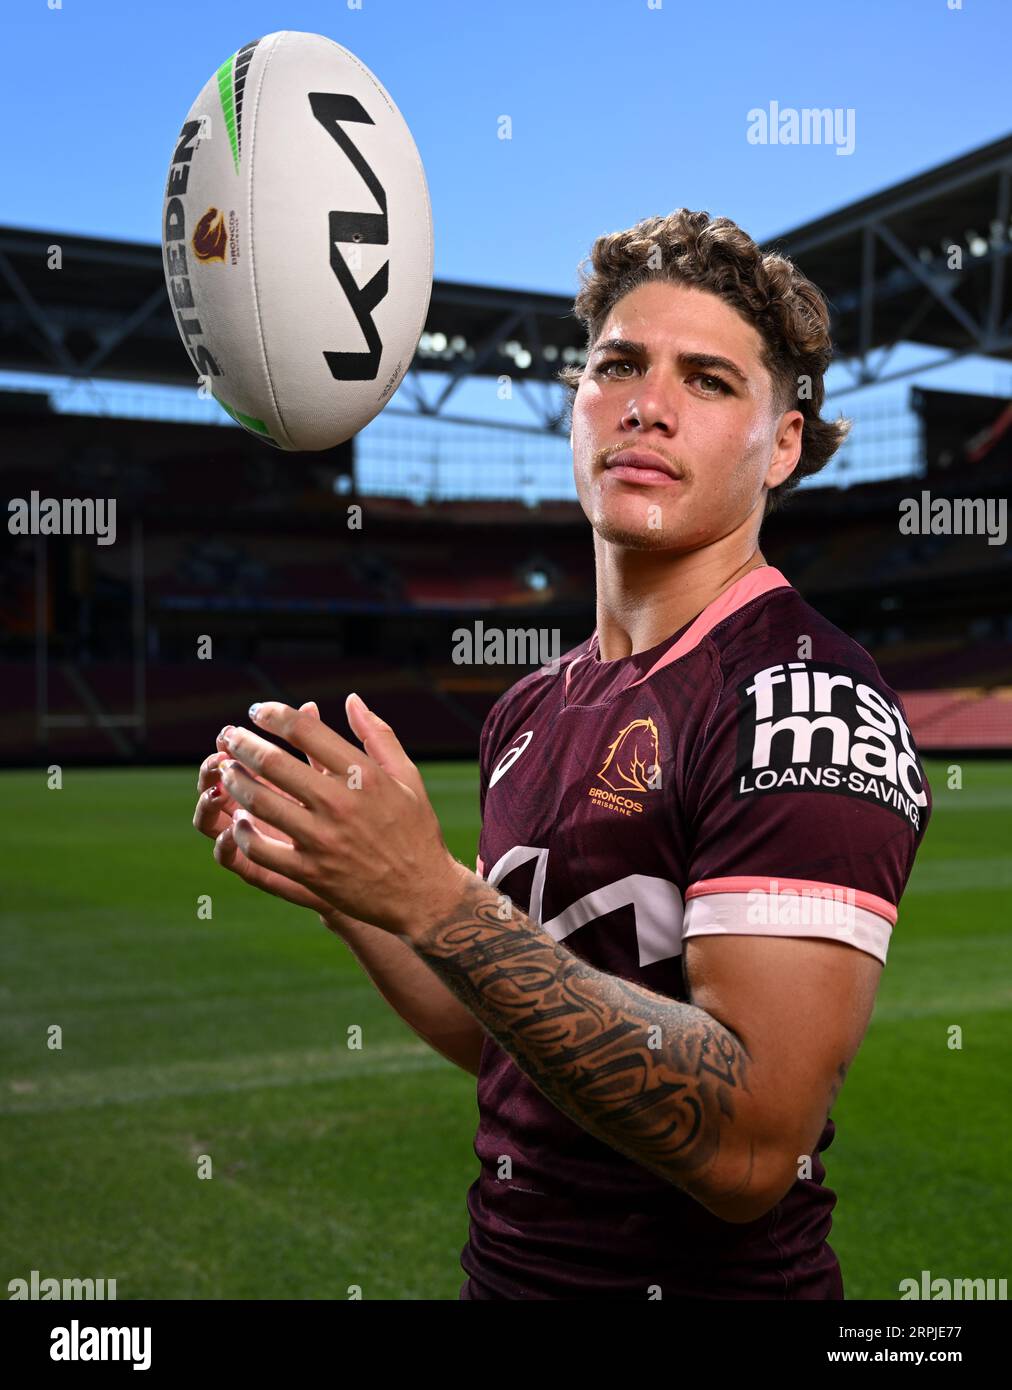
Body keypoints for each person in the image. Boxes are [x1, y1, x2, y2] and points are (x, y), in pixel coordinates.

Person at [193, 208, 931, 1299]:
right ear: (575, 407)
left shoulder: (802, 696)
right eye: (617, 364)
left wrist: (437, 897)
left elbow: (746, 1147)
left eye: (710, 380)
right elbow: (518, 1042)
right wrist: (353, 888)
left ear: (782, 445)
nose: (647, 403)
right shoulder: (530, 705)